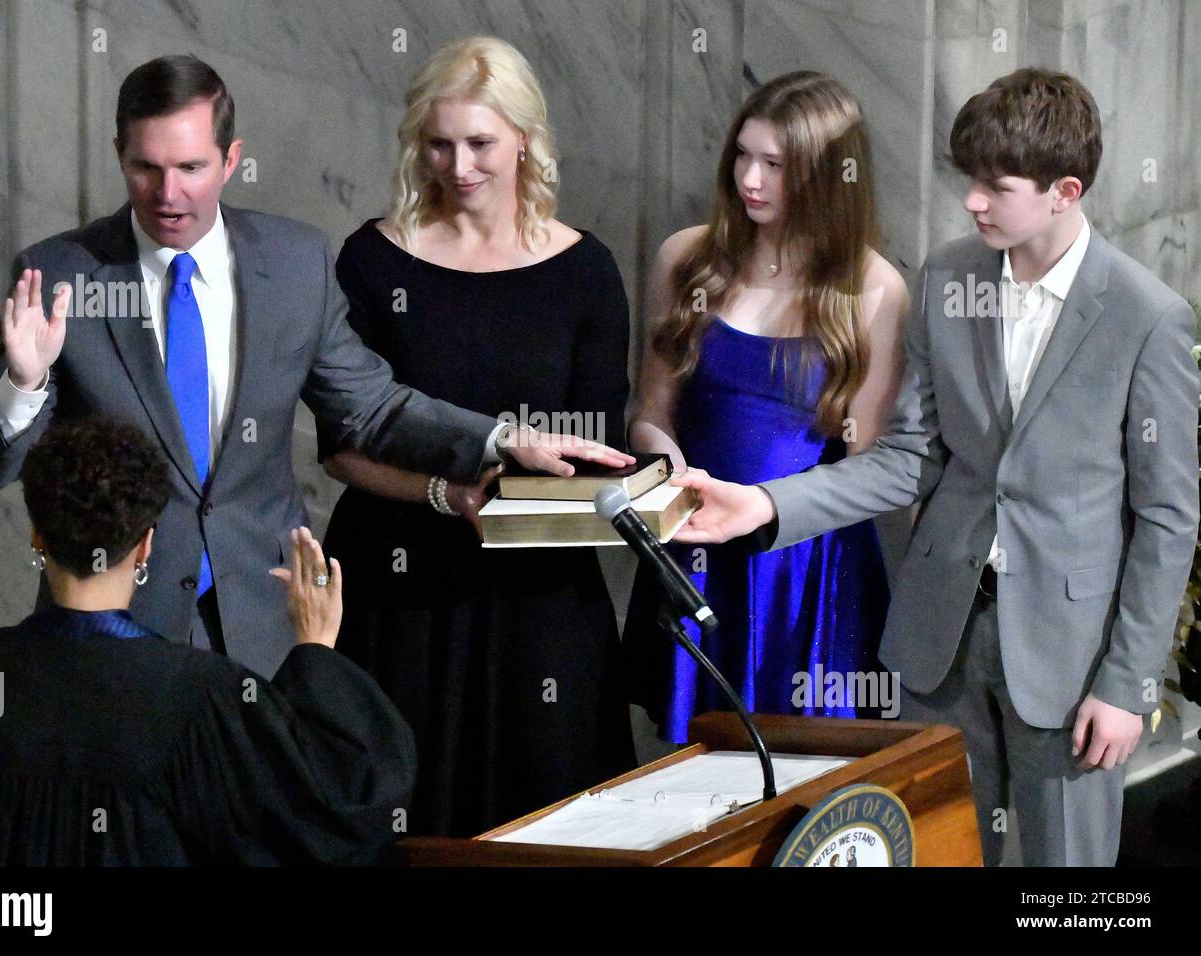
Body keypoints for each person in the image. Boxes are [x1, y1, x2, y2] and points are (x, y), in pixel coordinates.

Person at [0, 54, 631, 681]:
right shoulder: (60, 272)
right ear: (119, 157)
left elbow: (370, 406)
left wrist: (502, 439)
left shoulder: (295, 262)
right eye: (145, 168)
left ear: (230, 160)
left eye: (190, 167)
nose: (167, 193)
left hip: (263, 628)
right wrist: (24, 383)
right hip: (113, 633)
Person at [669, 69, 1199, 866]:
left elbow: (1167, 516)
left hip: (1072, 660)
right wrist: (764, 507)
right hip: (937, 644)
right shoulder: (948, 278)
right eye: (968, 180)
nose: (972, 201)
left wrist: (1127, 684)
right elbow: (909, 458)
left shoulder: (1146, 315)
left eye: (996, 186)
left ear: (1065, 190)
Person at [315, 37, 637, 837]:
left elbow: (599, 439)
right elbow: (343, 442)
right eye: (439, 143)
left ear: (525, 139)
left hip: (540, 596)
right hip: (397, 586)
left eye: (481, 143)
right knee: (400, 817)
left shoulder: (586, 270)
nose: (459, 166)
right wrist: (446, 493)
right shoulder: (370, 258)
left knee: (552, 823)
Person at [0, 417, 414, 865]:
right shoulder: (202, 691)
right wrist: (316, 649)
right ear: (147, 542)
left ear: (38, 533)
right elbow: (338, 810)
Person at [623, 72, 907, 743]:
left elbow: (871, 471)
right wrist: (673, 485)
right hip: (692, 544)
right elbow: (652, 411)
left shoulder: (874, 290)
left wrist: (766, 509)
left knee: (806, 780)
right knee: (690, 775)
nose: (750, 179)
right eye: (743, 157)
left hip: (805, 570)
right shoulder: (686, 260)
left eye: (775, 166)